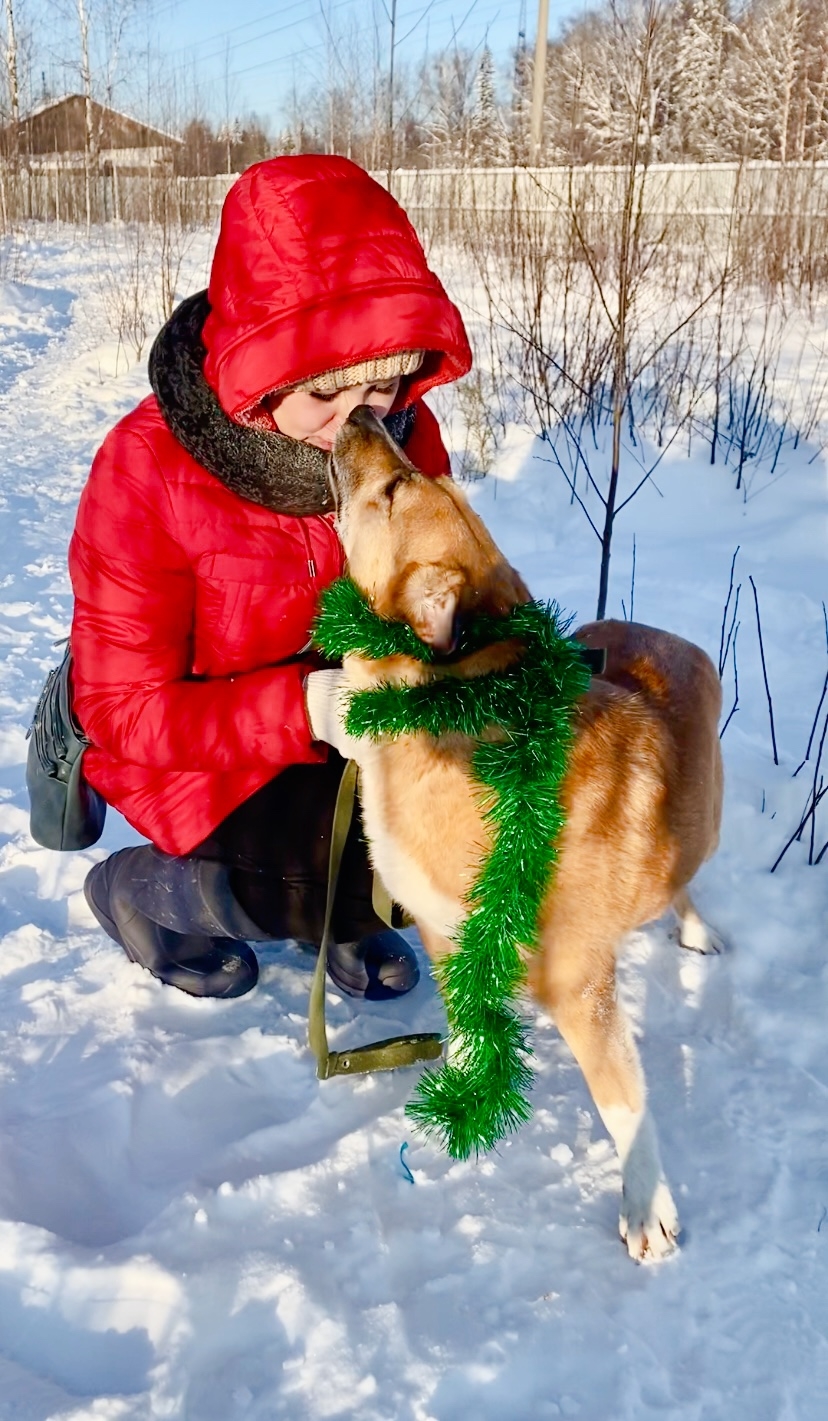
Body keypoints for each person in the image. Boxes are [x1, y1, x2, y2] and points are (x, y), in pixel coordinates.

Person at [69, 154, 472, 1001]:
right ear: (262, 377)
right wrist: (307, 707)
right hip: (199, 753)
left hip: (355, 724)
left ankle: (349, 913)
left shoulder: (401, 436)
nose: (360, 417)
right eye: (326, 390)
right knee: (319, 876)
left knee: (451, 837)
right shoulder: (146, 471)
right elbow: (120, 707)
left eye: (385, 379)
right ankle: (140, 892)